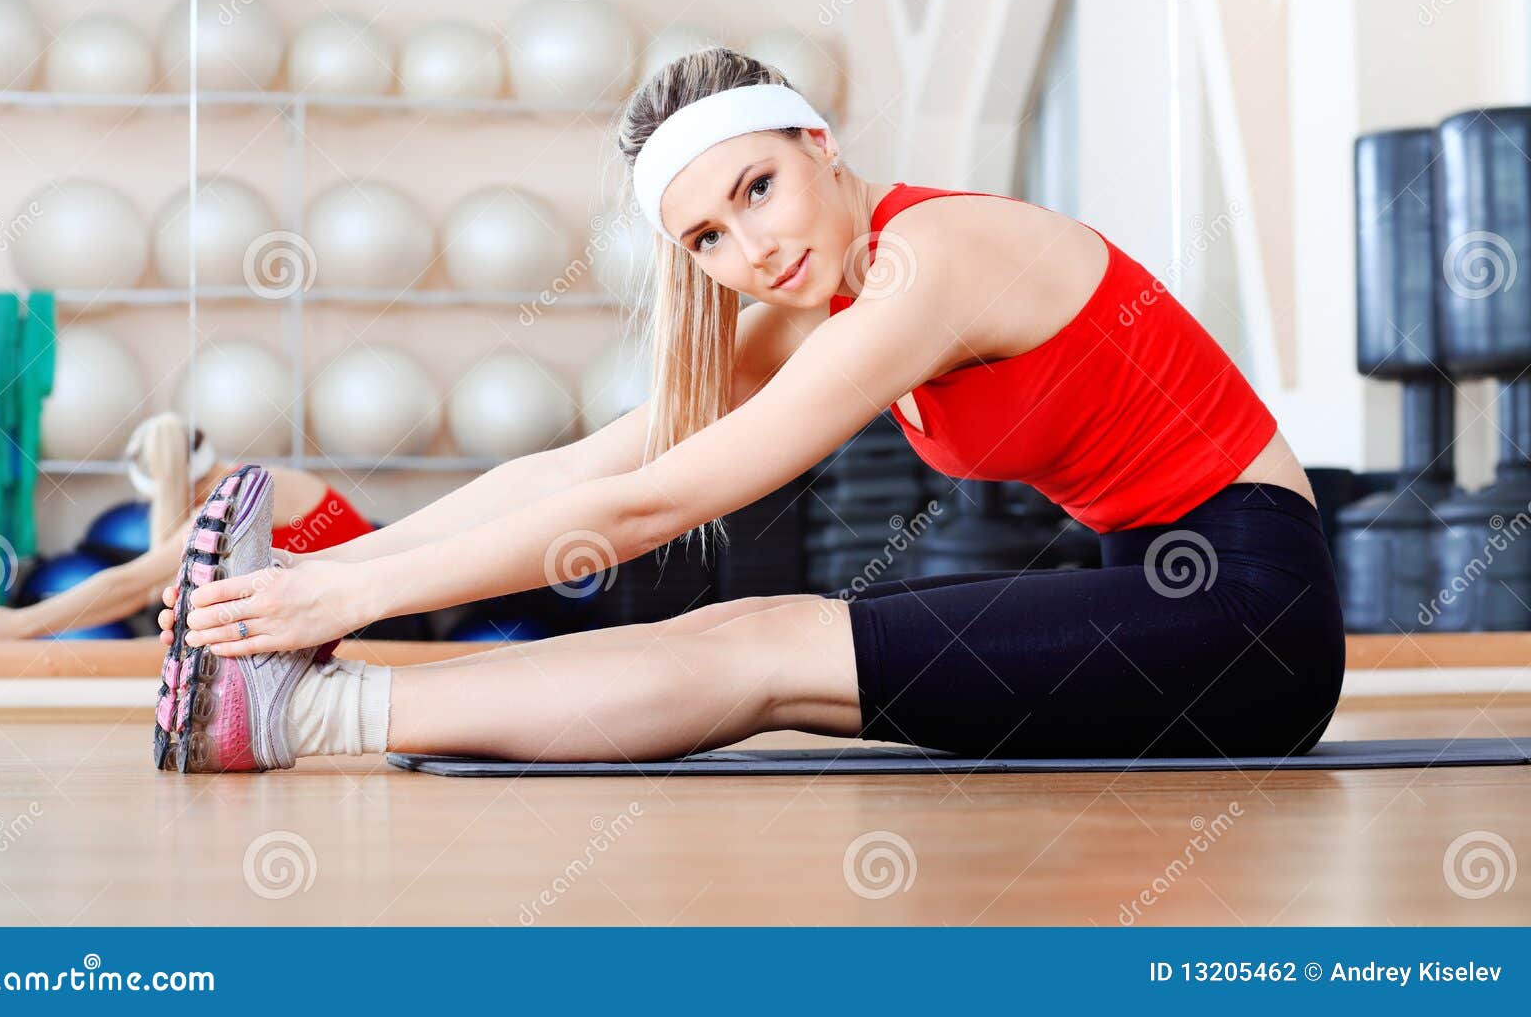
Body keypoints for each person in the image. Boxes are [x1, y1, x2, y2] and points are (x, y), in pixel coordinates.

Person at [155, 46, 1345, 774]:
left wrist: (351, 600)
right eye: (708, 238)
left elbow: (652, 506)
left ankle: (308, 717)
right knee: (745, 627)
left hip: (1247, 616)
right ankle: (290, 699)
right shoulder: (816, 293)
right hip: (1148, 589)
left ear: (818, 142)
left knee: (767, 648)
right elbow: (581, 468)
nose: (752, 248)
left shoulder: (930, 261)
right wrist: (324, 570)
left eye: (759, 187)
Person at [0, 413, 374, 642]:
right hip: (353, 613)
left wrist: (17, 626)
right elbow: (135, 594)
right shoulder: (242, 484)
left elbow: (127, 583)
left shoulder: (241, 491)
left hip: (374, 619)